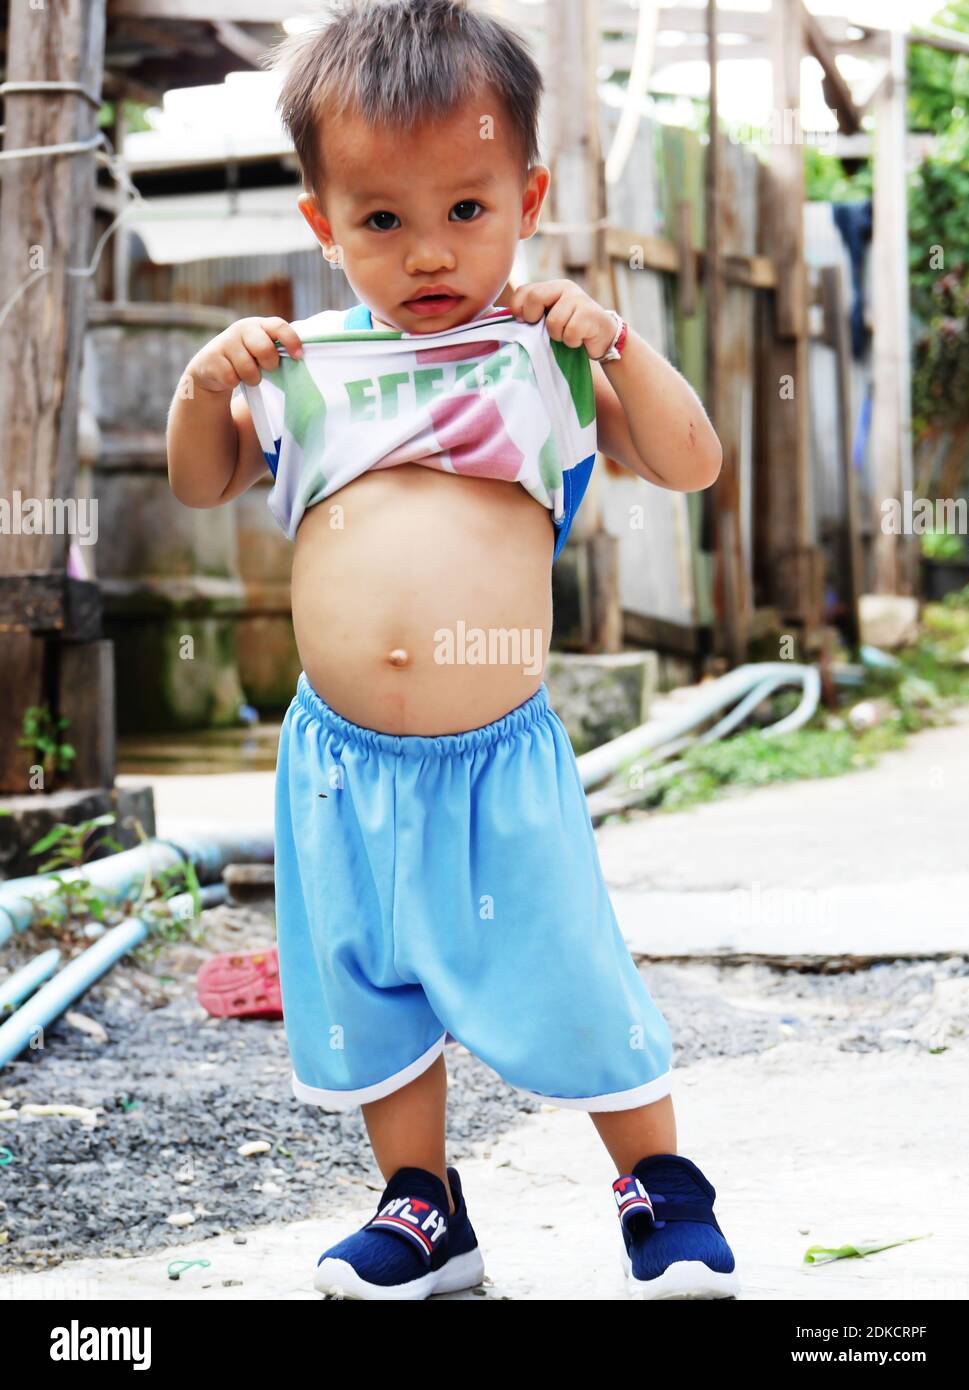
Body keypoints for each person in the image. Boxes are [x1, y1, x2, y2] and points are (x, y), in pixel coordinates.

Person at [167, 0, 738, 1301]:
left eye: (466, 211)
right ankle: (423, 1205)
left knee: (566, 964)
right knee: (373, 984)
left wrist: (620, 344)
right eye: (382, 220)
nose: (429, 252)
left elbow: (696, 460)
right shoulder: (305, 366)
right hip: (339, 759)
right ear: (322, 224)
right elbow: (201, 485)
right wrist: (208, 388)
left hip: (498, 763)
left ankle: (661, 1188)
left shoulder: (545, 354)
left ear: (526, 193)